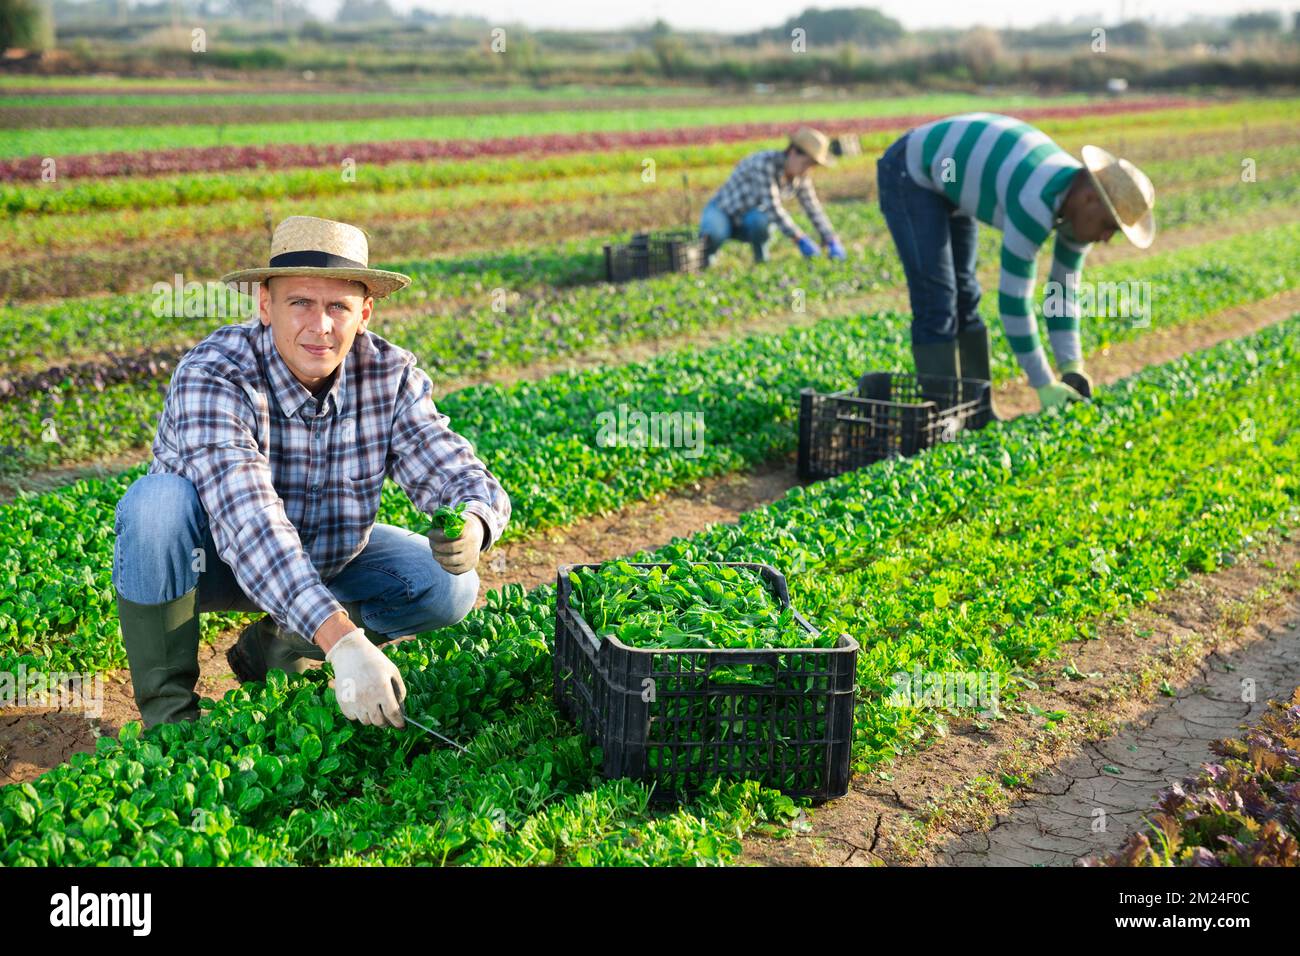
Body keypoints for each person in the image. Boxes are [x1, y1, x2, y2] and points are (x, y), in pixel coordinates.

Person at [112, 216, 510, 729]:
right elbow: (250, 521)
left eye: (338, 307)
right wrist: (344, 641)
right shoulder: (214, 373)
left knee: (448, 584)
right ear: (264, 303)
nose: (319, 326)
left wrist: (473, 520)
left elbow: (448, 463)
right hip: (207, 562)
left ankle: (277, 644)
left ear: (364, 313)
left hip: (325, 558)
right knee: (156, 505)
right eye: (300, 302)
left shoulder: (389, 375)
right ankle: (171, 723)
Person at [876, 112, 1156, 416]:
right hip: (913, 169)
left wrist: (1071, 366)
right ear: (1089, 199)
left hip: (950, 175)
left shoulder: (1075, 207)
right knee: (937, 299)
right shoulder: (1035, 199)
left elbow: (1061, 294)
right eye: (1108, 226)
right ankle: (945, 417)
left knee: (966, 295)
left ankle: (977, 411)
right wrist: (1044, 383)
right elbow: (1014, 302)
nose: (1104, 238)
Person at [699, 126, 847, 266]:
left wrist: (831, 239)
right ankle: (705, 262)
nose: (807, 169)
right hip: (722, 211)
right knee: (715, 232)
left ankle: (761, 261)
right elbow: (773, 207)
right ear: (793, 152)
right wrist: (800, 239)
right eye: (807, 163)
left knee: (761, 220)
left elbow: (812, 207)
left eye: (811, 165)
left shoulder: (800, 177)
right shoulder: (764, 163)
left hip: (748, 220)